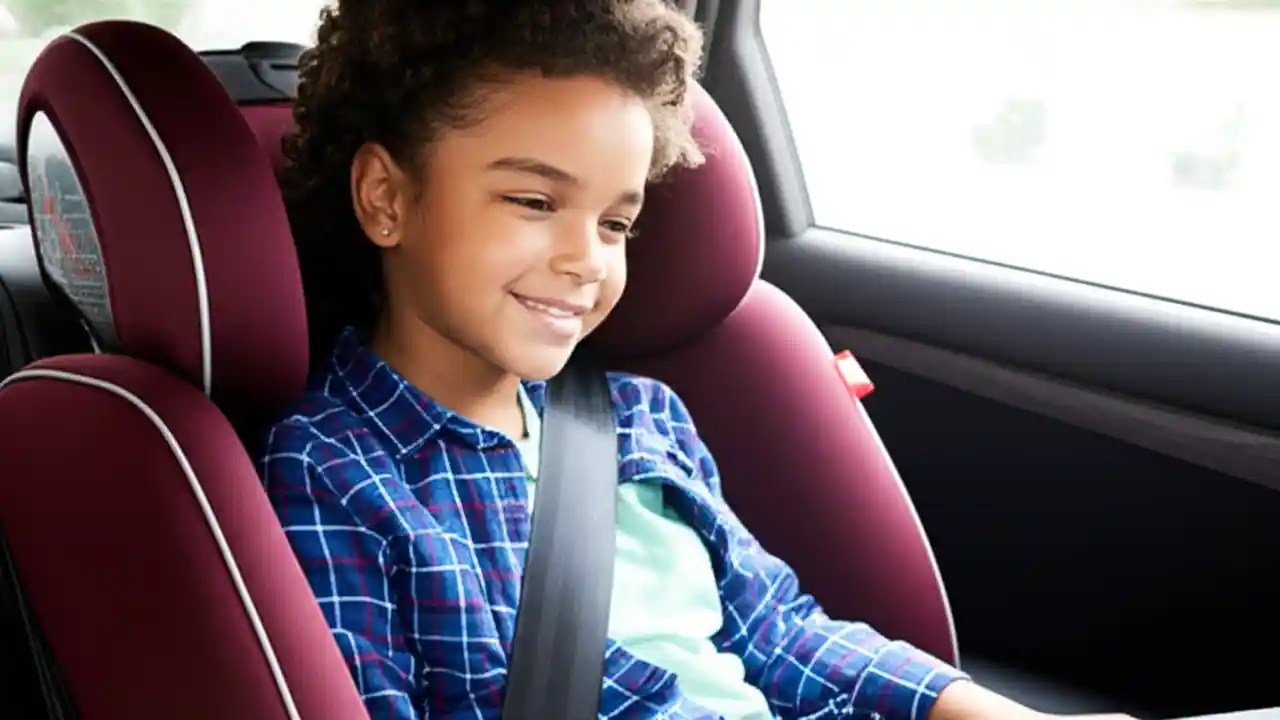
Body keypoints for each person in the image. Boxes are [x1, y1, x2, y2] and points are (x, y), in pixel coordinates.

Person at [258, 1, 1137, 718]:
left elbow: (776, 632)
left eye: (615, 223)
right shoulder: (334, 473)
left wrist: (961, 703)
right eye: (533, 200)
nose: (585, 260)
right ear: (386, 198)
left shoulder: (641, 420)